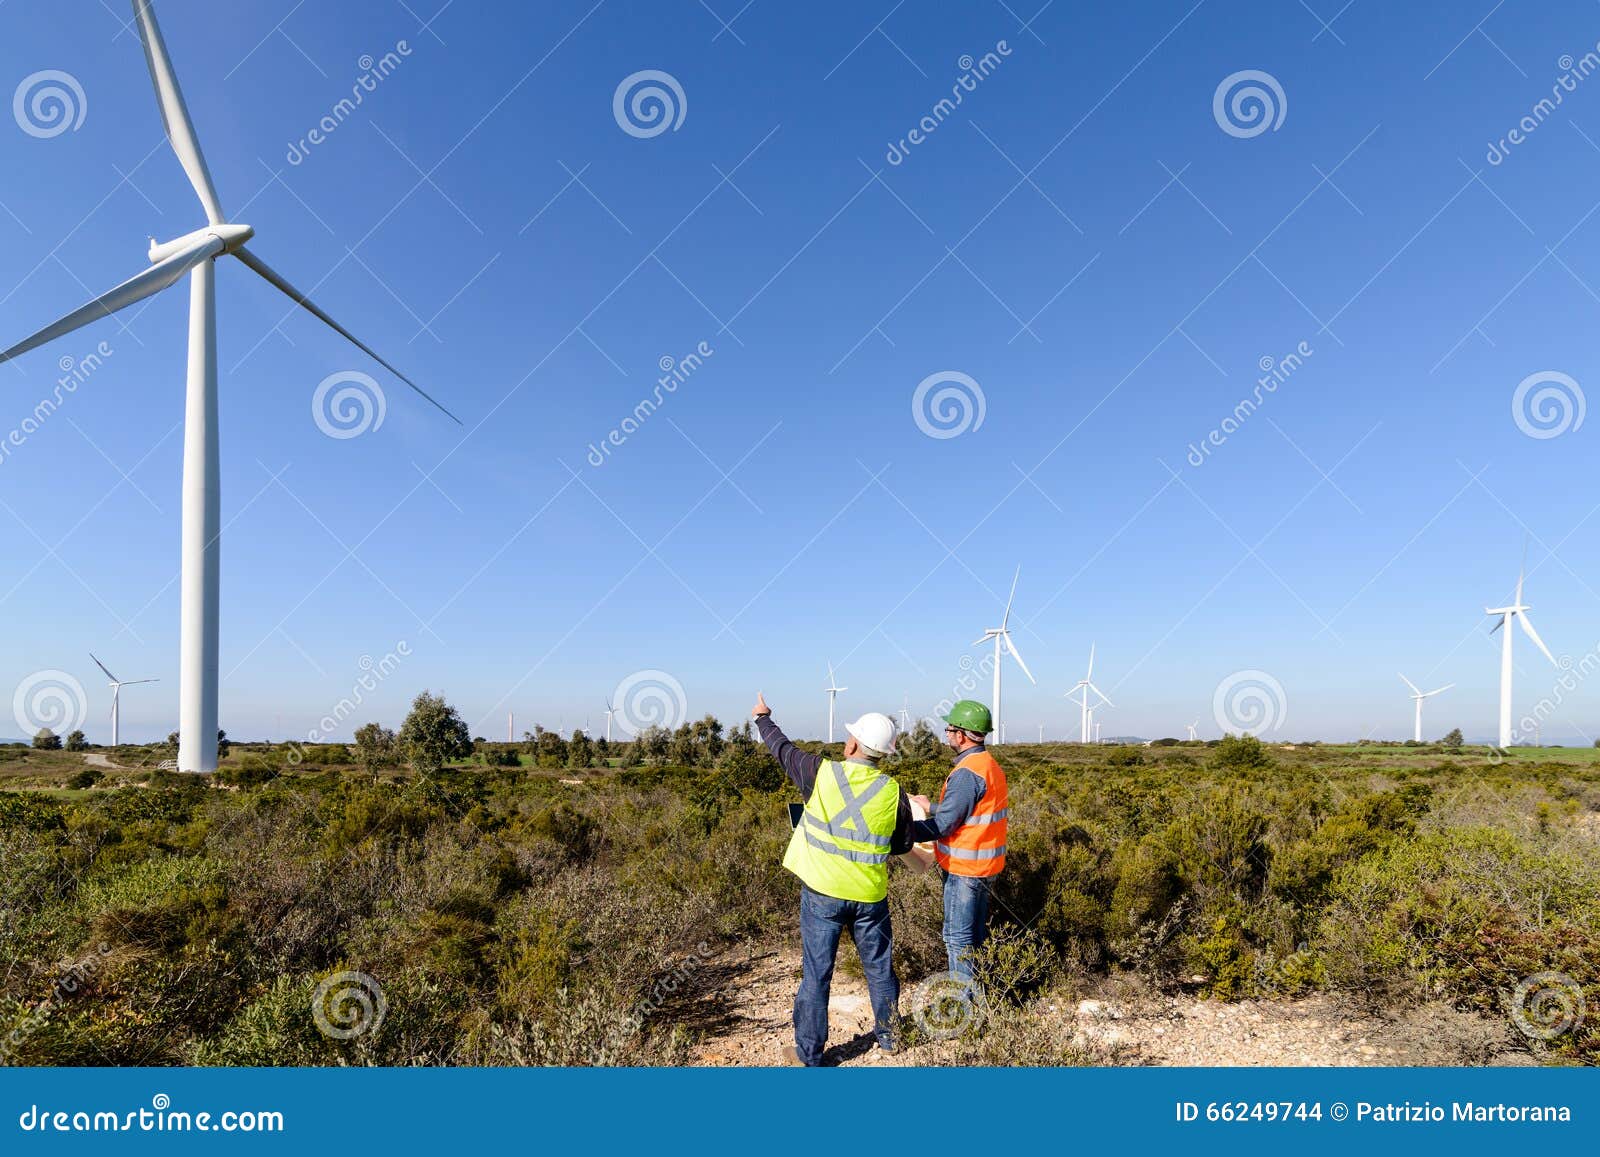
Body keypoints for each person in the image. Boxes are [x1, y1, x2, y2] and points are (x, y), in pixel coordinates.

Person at [752, 691, 914, 1066]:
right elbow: (903, 842)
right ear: (884, 752)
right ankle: (890, 1037)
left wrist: (762, 717)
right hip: (870, 897)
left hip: (822, 894)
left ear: (854, 743)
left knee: (816, 976)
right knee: (879, 968)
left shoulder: (821, 773)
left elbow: (782, 749)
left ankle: (809, 1054)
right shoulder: (893, 791)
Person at [908, 699, 1007, 987]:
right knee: (974, 936)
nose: (947, 734)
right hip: (984, 866)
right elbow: (971, 811)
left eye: (949, 729)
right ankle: (980, 1001)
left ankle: (966, 1009)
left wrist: (902, 832)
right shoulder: (988, 765)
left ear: (961, 735)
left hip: (965, 870)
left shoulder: (967, 773)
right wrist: (933, 805)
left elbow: (943, 826)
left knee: (958, 939)